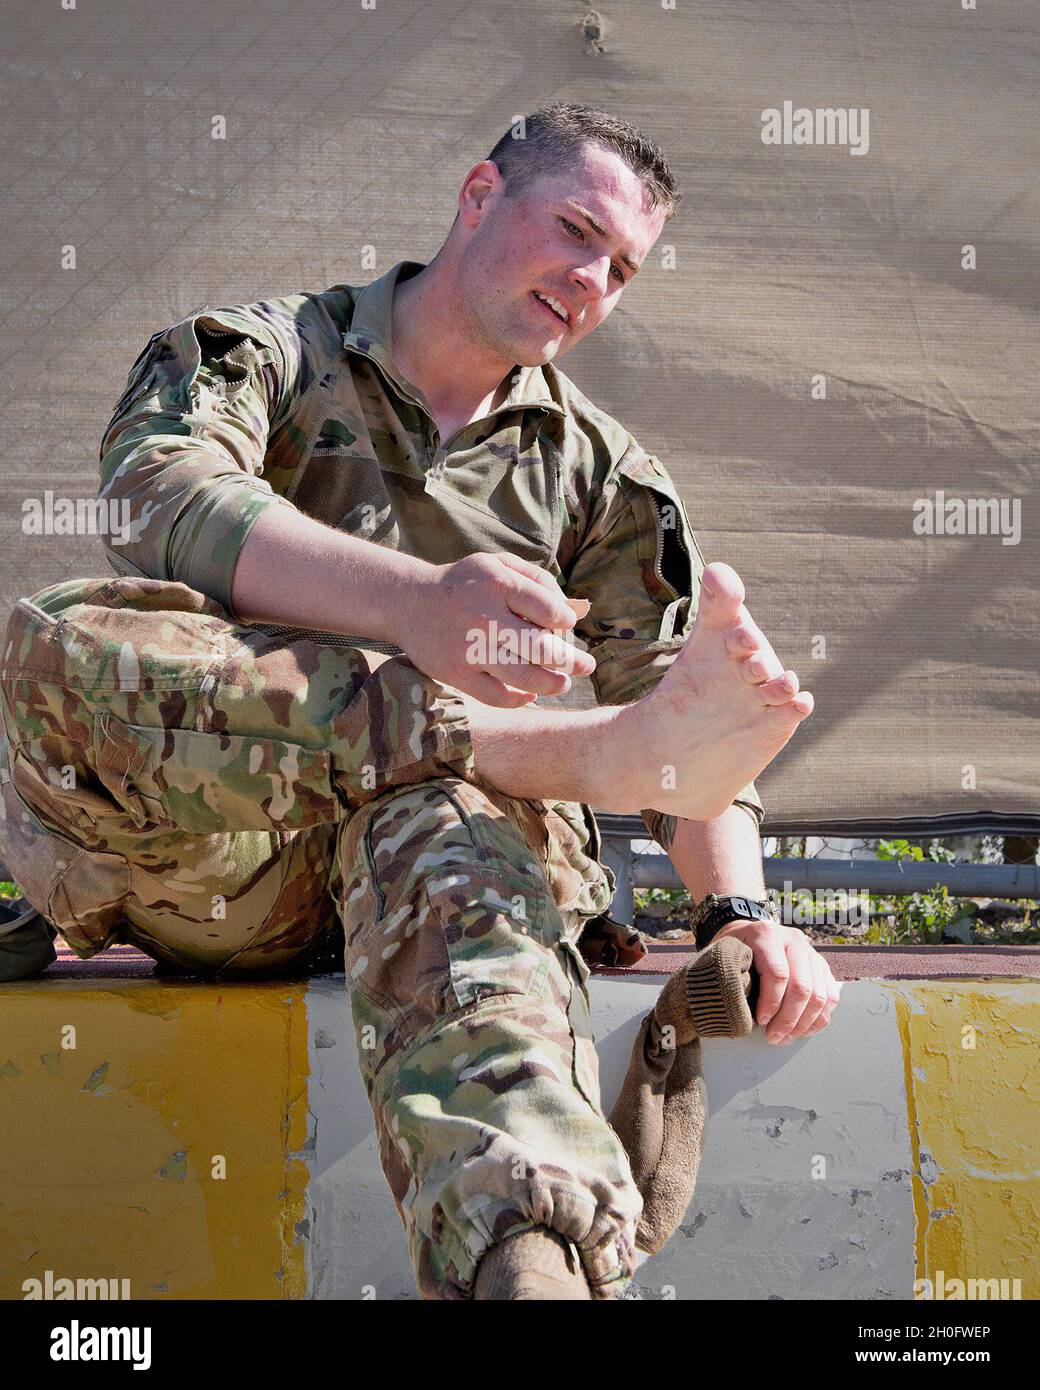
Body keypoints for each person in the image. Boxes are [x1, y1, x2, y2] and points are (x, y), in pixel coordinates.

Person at [0, 101, 839, 1297]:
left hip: (419, 879)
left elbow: (684, 739)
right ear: (478, 195)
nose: (591, 279)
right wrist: (414, 607)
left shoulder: (596, 476)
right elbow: (160, 494)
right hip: (205, 852)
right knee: (55, 643)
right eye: (573, 229)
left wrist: (738, 913)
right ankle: (539, 754)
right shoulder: (268, 351)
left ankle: (528, 1266)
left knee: (442, 822)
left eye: (620, 267)